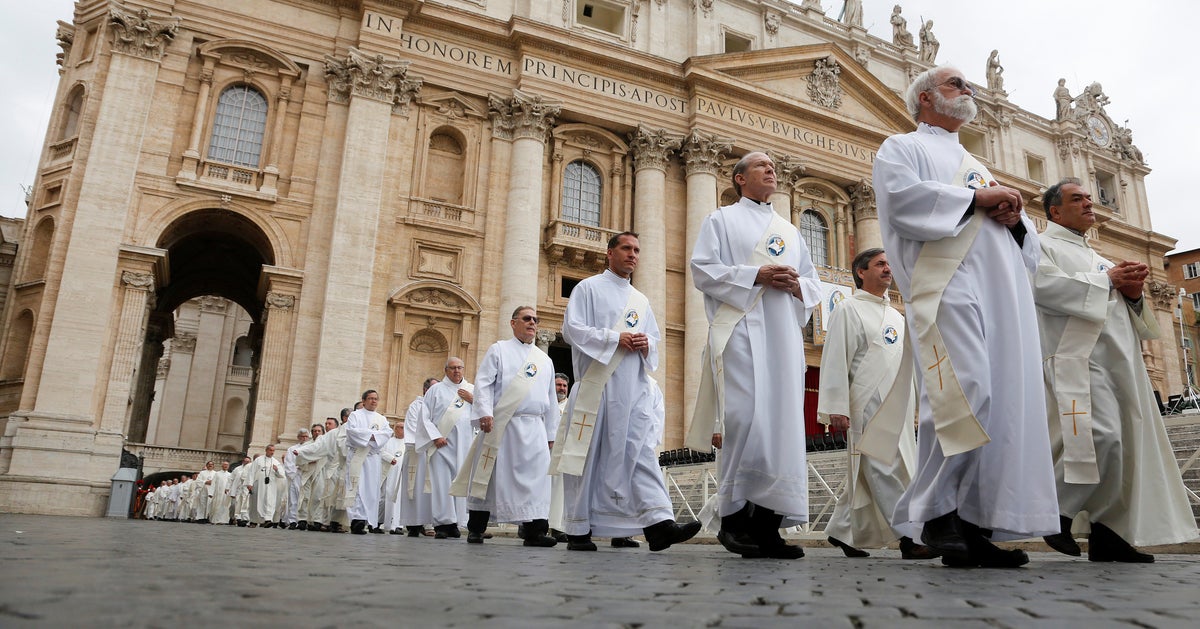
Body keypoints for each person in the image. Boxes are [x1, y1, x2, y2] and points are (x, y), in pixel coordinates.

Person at [873, 65, 1059, 568]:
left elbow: (1026, 249)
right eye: (956, 84)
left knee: (999, 404)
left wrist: (1015, 217)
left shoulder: (976, 162)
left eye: (969, 85)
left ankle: (976, 523)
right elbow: (903, 204)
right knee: (964, 390)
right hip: (946, 287)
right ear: (926, 99)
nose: (968, 90)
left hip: (998, 296)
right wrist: (978, 198)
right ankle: (936, 510)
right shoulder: (901, 148)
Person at [1034, 179, 1198, 562]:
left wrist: (1134, 293)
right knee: (1101, 438)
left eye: (1090, 197)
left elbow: (1130, 316)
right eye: (1078, 199)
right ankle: (1055, 511)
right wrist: (1107, 282)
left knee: (1125, 450)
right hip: (1078, 357)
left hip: (1120, 365)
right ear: (1055, 211)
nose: (1089, 203)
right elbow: (1040, 287)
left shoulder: (1100, 257)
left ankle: (1109, 534)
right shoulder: (1042, 246)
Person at [688, 153, 821, 560]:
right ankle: (733, 520)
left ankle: (768, 528)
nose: (772, 171)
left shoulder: (791, 232)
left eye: (774, 167)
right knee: (746, 420)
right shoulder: (720, 220)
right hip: (742, 329)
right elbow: (702, 270)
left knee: (781, 428)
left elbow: (814, 282)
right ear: (740, 178)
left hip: (783, 337)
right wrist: (756, 275)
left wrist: (799, 288)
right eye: (762, 166)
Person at [556, 232, 700, 553]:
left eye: (637, 249)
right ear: (610, 253)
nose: (633, 254)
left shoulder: (641, 300)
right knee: (588, 457)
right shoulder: (587, 288)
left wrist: (645, 343)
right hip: (597, 388)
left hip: (632, 390)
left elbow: (654, 342)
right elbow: (572, 330)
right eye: (626, 248)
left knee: (639, 453)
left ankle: (659, 525)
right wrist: (614, 338)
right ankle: (579, 530)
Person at [818, 249, 938, 560]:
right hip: (866, 402)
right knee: (884, 467)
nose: (888, 269)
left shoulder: (896, 316)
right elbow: (834, 359)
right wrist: (837, 407)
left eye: (888, 264)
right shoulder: (847, 309)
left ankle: (842, 530)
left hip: (898, 403)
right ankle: (909, 538)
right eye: (880, 264)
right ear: (861, 272)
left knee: (873, 469)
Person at [453, 306, 560, 547]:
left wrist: (551, 433)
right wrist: (484, 412)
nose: (532, 323)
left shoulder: (544, 359)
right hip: (502, 424)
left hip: (534, 427)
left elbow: (551, 399)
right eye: (527, 318)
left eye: (535, 319)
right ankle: (476, 529)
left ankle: (535, 532)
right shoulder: (498, 350)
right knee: (488, 476)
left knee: (537, 481)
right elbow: (483, 383)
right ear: (513, 323)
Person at [417, 358, 475, 538]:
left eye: (459, 367)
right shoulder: (435, 390)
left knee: (460, 482)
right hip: (441, 444)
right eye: (453, 368)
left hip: (465, 443)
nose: (457, 371)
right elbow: (424, 417)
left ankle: (458, 522)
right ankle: (443, 524)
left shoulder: (472, 390)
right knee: (442, 483)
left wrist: (473, 400)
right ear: (446, 370)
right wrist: (435, 436)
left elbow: (486, 413)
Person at [344, 390, 393, 534]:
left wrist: (369, 436)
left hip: (373, 459)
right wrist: (374, 437)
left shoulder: (381, 419)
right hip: (357, 457)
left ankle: (368, 520)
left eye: (376, 399)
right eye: (370, 398)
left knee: (371, 489)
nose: (373, 401)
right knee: (357, 487)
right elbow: (352, 432)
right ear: (364, 400)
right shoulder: (355, 415)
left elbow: (387, 433)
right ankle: (356, 520)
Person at [399, 378, 438, 536]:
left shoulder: (440, 405)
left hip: (435, 453)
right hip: (419, 452)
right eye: (434, 388)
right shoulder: (417, 406)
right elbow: (414, 429)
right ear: (425, 390)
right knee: (415, 489)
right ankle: (414, 524)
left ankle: (430, 523)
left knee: (433, 489)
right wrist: (434, 439)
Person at [547, 373, 571, 543]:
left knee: (558, 492)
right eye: (558, 385)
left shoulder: (573, 406)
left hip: (562, 453)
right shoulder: (544, 402)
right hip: (541, 452)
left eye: (564, 386)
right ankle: (528, 525)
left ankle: (557, 527)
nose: (561, 388)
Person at [380, 421, 407, 534]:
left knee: (400, 499)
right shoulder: (388, 441)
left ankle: (398, 525)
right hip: (389, 474)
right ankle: (385, 523)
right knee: (386, 497)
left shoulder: (408, 442)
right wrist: (390, 458)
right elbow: (380, 452)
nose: (400, 429)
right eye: (397, 427)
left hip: (402, 476)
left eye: (402, 427)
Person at [248, 446, 286, 527]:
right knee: (257, 502)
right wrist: (250, 483)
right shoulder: (258, 460)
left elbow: (281, 475)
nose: (272, 452)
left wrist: (277, 470)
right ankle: (254, 521)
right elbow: (252, 472)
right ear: (266, 450)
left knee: (269, 502)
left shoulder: (275, 462)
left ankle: (267, 520)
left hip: (271, 486)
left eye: (273, 451)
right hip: (259, 484)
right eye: (270, 450)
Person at [282, 429, 311, 529]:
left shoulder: (310, 447)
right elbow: (288, 463)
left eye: (306, 436)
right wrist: (294, 474)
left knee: (304, 499)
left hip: (306, 476)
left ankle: (302, 520)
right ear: (298, 437)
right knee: (293, 499)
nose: (304, 438)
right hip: (295, 476)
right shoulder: (291, 449)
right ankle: (292, 520)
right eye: (302, 436)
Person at [231, 456, 253, 526]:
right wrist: (231, 491)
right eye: (245, 461)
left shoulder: (251, 469)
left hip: (248, 490)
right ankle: (238, 518)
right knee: (238, 504)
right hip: (239, 490)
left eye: (248, 462)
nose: (247, 463)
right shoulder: (237, 469)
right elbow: (232, 480)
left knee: (246, 504)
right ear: (243, 461)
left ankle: (245, 519)